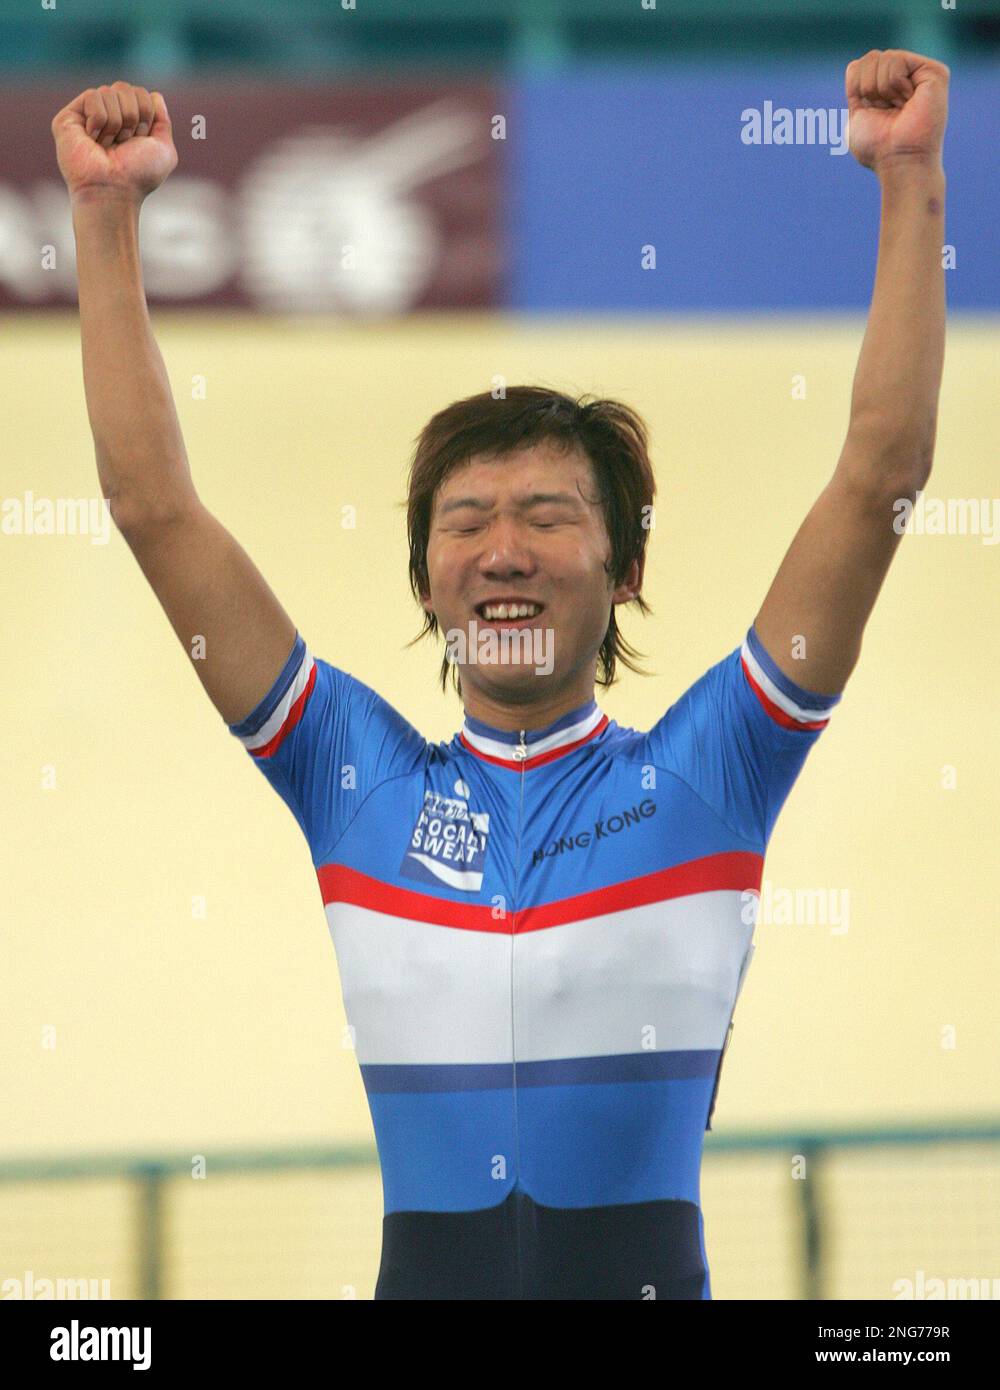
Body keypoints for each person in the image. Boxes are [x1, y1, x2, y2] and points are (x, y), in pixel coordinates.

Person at [51, 51, 948, 1299]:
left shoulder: (716, 768)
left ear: (627, 565)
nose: (503, 550)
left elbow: (878, 474)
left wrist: (907, 175)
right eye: (463, 522)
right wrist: (104, 217)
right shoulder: (347, 776)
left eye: (545, 513)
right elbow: (154, 508)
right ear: (425, 579)